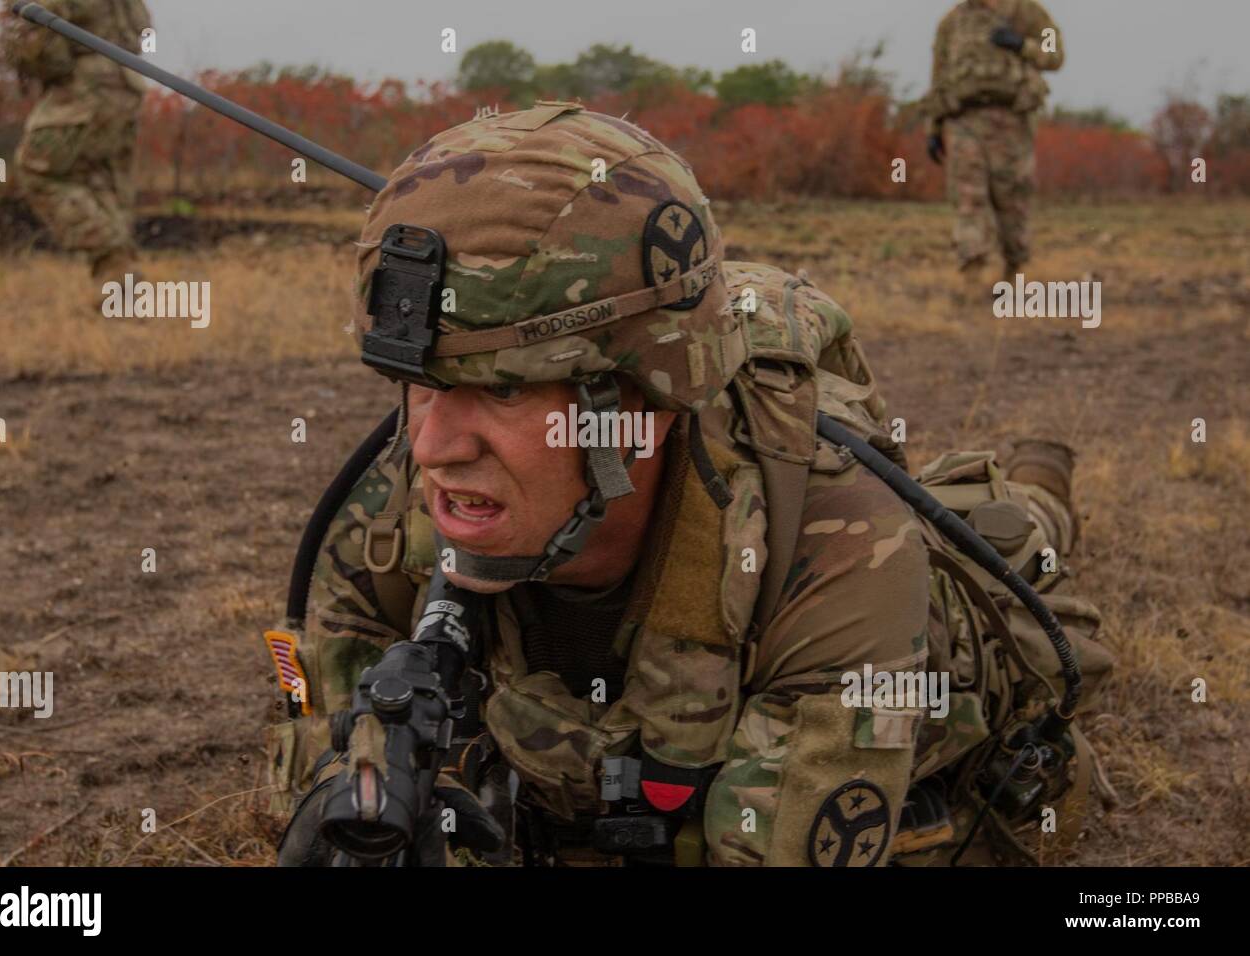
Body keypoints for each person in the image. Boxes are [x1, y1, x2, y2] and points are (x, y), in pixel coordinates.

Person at [266, 104, 1108, 867]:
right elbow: (309, 705)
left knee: (1010, 527)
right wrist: (359, 787)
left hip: (930, 641)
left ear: (645, 405)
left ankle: (1043, 477)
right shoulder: (397, 499)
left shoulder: (841, 548)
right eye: (426, 384)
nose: (434, 444)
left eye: (507, 390)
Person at [4, 0, 152, 289]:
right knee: (103, 182)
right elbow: (142, 31)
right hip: (127, 85)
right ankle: (119, 283)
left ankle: (112, 256)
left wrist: (22, 51)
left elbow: (47, 55)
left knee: (37, 170)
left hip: (86, 91)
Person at [924, 0, 1064, 288]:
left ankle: (1014, 271)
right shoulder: (953, 22)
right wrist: (934, 126)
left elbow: (1055, 55)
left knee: (1011, 199)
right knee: (967, 196)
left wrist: (1022, 45)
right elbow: (938, 74)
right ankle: (972, 277)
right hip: (963, 120)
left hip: (1011, 120)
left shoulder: (1026, 12)